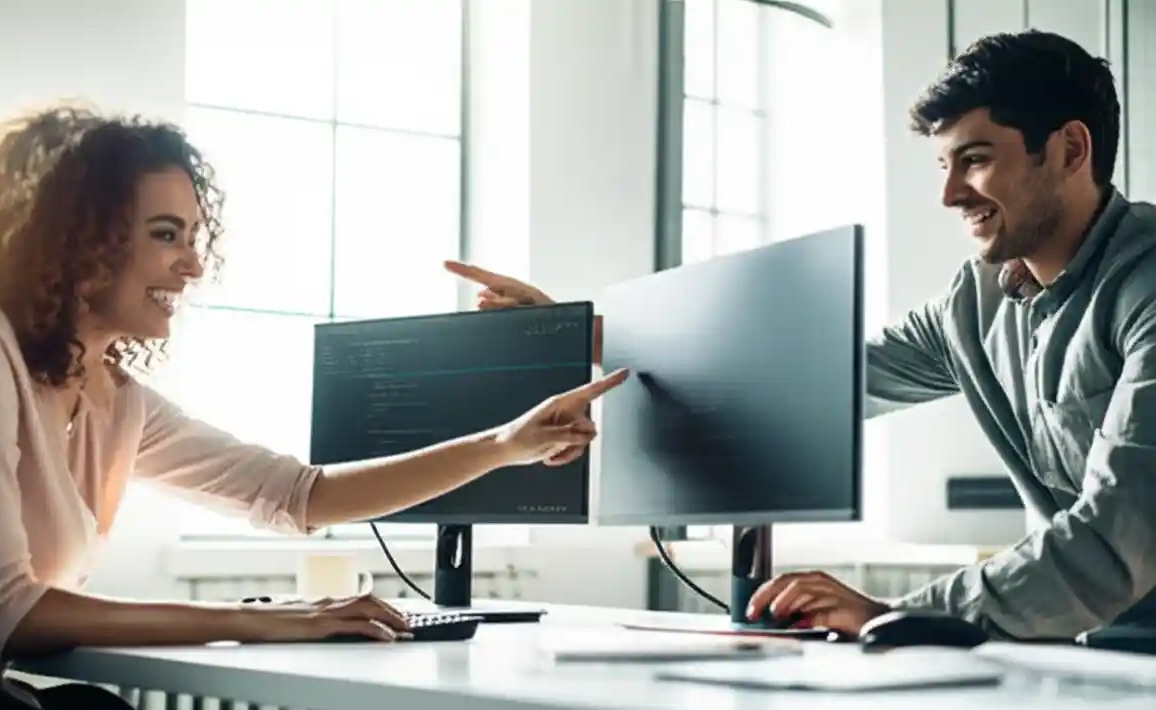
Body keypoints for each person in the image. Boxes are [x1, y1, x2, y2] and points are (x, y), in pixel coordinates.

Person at [0, 104, 628, 710]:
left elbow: (302, 496)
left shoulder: (112, 395)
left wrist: (505, 444)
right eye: (166, 235)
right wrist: (267, 618)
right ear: (71, 239)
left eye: (195, 238)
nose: (194, 264)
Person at [447, 29, 1156, 641]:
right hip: (1080, 649)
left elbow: (1117, 537)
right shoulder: (974, 304)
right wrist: (581, 335)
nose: (948, 195)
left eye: (975, 159)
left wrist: (897, 614)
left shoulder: (1146, 285)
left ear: (1068, 150)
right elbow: (803, 385)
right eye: (944, 166)